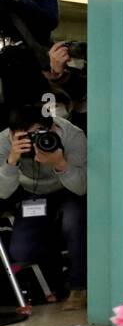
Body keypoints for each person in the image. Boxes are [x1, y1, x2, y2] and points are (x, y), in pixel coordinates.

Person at [0, 103, 87, 310]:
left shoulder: (71, 135)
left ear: (52, 127)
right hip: (33, 194)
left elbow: (82, 187)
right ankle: (56, 279)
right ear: (12, 134)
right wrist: (12, 160)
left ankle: (79, 287)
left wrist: (60, 163)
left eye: (39, 133)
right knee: (22, 251)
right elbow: (3, 192)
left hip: (68, 189)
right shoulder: (4, 141)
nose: (35, 139)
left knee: (74, 223)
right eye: (26, 136)